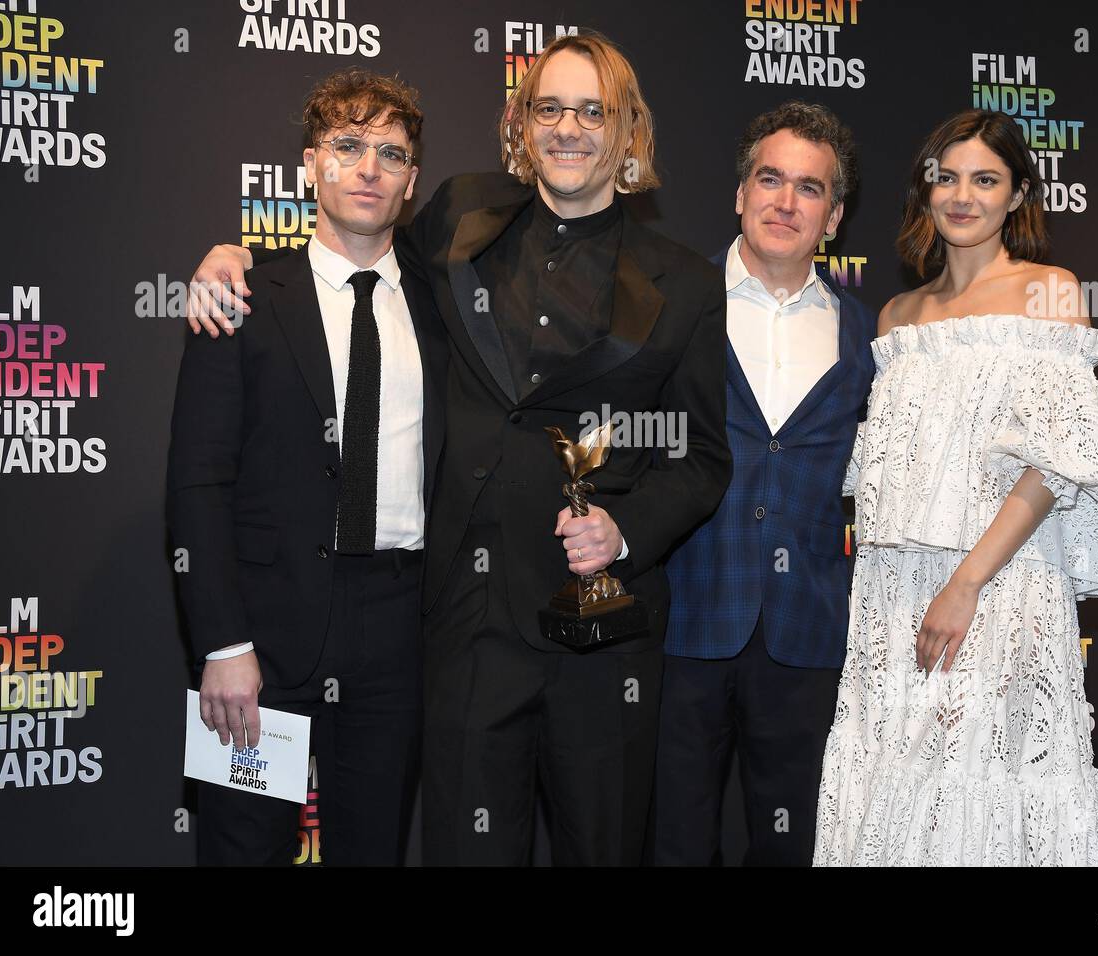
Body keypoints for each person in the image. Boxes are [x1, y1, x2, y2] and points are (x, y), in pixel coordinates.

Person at [184, 33, 731, 866]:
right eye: (549, 107)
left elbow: (699, 456)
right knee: (240, 846)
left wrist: (624, 530)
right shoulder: (454, 225)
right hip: (394, 637)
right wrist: (233, 254)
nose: (569, 128)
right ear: (523, 123)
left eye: (593, 111)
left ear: (627, 129)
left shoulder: (686, 282)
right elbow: (198, 479)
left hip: (557, 639)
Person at [814, 108, 1098, 866]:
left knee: (992, 774)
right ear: (925, 192)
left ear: (1017, 195)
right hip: (895, 593)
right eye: (946, 178)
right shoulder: (897, 317)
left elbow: (1057, 463)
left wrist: (966, 582)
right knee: (898, 781)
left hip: (1000, 586)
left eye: (985, 179)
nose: (963, 195)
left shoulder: (1048, 293)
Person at [168, 67, 445, 865]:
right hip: (264, 627)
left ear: (411, 181)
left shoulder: (445, 305)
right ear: (310, 165)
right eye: (348, 146)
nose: (369, 168)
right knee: (242, 850)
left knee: (372, 850)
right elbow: (197, 479)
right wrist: (222, 644)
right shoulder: (243, 296)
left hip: (397, 626)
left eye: (390, 154)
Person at [653, 102, 874, 866]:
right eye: (769, 178)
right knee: (674, 846)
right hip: (683, 625)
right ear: (740, 194)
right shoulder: (670, 307)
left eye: (809, 189)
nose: (785, 201)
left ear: (835, 216)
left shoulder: (868, 335)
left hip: (808, 637)